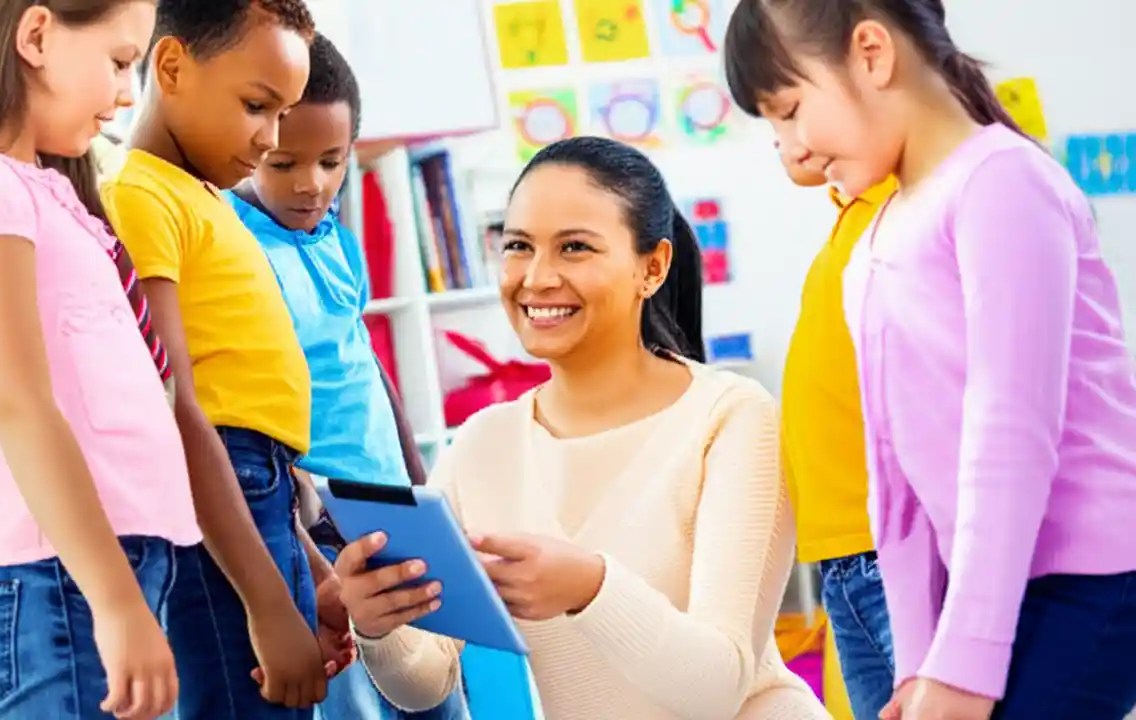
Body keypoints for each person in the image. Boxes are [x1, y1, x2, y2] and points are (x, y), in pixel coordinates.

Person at [724, 1, 1136, 718]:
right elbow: (895, 475)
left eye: (789, 110)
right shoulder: (877, 240)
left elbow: (1011, 430)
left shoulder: (1004, 183)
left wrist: (967, 664)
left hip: (1093, 573)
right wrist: (921, 661)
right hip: (1007, 580)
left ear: (873, 54)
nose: (794, 148)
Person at [329, 136, 828, 719]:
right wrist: (378, 626)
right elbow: (426, 682)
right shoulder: (484, 443)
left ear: (653, 266)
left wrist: (591, 589)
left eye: (574, 248)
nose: (536, 278)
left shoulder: (731, 417)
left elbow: (717, 687)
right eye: (518, 246)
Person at [0, 1, 201, 718]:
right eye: (121, 62)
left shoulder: (52, 192)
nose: (129, 93)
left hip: (85, 571)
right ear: (35, 36)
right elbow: (20, 404)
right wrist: (116, 600)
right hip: (57, 578)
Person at [100, 2, 349, 717]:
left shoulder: (205, 199)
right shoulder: (140, 193)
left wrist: (308, 568)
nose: (269, 138)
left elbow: (248, 435)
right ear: (172, 66)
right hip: (219, 503)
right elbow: (179, 410)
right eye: (255, 106)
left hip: (255, 492)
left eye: (283, 113)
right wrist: (269, 605)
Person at [228, 34, 470, 720]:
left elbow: (362, 361)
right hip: (323, 526)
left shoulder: (331, 228)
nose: (312, 183)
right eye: (284, 163)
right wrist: (309, 558)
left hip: (397, 511)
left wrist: (422, 487)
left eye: (332, 162)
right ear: (251, 148)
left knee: (439, 698)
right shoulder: (236, 246)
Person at [766, 132, 898, 718]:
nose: (780, 133)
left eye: (790, 109)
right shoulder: (852, 219)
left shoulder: (902, 212)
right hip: (847, 558)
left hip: (893, 553)